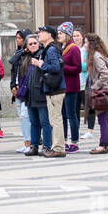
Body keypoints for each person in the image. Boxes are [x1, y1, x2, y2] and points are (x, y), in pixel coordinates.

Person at [33, 27, 66, 158]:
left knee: (55, 119)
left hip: (55, 89)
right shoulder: (51, 48)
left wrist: (40, 64)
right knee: (55, 119)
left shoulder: (51, 49)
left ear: (49, 35)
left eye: (41, 33)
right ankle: (57, 146)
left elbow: (55, 67)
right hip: (53, 89)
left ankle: (58, 148)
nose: (39, 35)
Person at [84, 33, 108, 154]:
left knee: (103, 120)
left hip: (100, 93)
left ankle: (103, 145)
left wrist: (94, 87)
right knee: (103, 119)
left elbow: (105, 74)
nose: (84, 45)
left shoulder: (96, 56)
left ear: (91, 44)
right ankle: (103, 144)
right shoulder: (95, 55)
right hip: (99, 91)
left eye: (86, 42)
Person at [23, 33, 50, 156]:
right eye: (30, 44)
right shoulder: (25, 57)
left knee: (44, 122)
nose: (33, 45)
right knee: (33, 122)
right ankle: (34, 146)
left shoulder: (43, 55)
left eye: (35, 43)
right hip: (30, 94)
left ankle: (47, 146)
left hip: (41, 93)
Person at [7, 29, 33, 153]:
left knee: (25, 116)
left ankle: (30, 143)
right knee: (22, 118)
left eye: (20, 38)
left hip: (25, 90)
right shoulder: (19, 53)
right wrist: (12, 86)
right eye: (16, 38)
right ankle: (26, 142)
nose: (17, 40)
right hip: (16, 88)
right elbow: (12, 65)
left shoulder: (30, 55)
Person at [60, 22, 83, 153]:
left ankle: (74, 141)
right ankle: (63, 140)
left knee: (71, 114)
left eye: (61, 33)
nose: (59, 35)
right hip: (63, 86)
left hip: (71, 86)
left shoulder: (73, 48)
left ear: (67, 35)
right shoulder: (63, 47)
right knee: (62, 115)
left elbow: (78, 68)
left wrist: (63, 66)